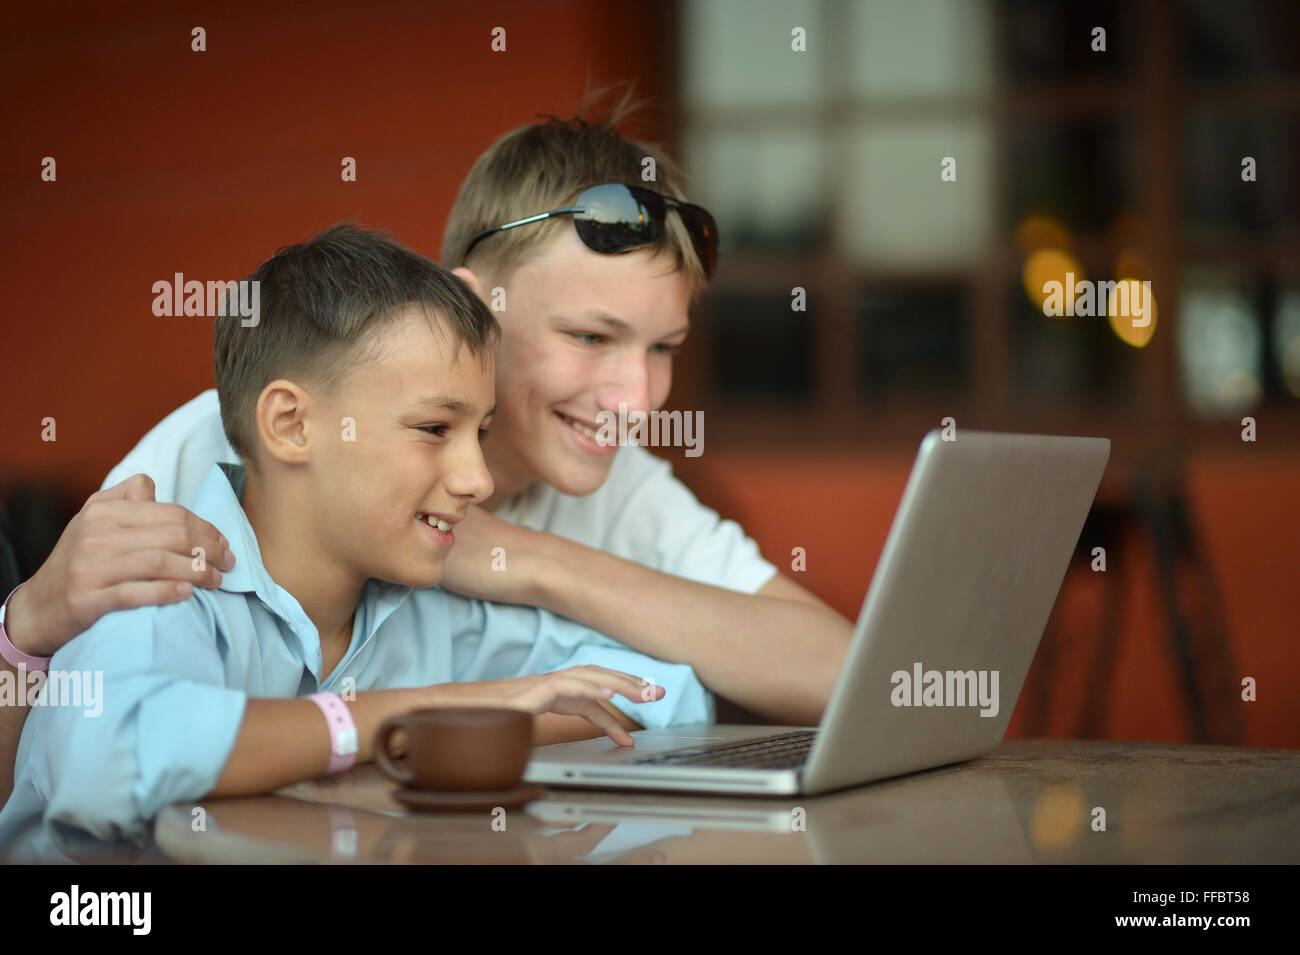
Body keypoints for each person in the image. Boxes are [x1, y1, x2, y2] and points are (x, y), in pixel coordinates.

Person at [0, 94, 851, 800]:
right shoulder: (203, 471)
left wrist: (531, 563)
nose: (637, 398)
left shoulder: (483, 555)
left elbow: (808, 679)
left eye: (663, 348)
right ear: (478, 306)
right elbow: (85, 749)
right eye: (591, 337)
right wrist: (23, 630)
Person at [0, 224, 699, 842]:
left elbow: (666, 692)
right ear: (293, 426)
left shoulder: (426, 608)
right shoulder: (161, 578)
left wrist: (479, 723)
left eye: (478, 433)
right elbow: (108, 760)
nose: (479, 478)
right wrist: (436, 712)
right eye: (434, 428)